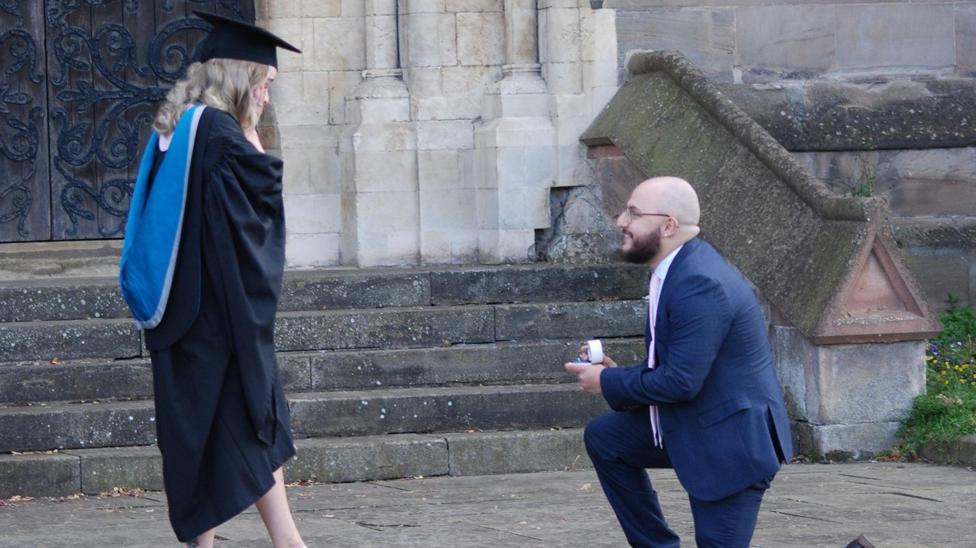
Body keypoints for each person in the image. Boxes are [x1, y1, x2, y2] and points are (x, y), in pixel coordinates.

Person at [119, 11, 306, 548]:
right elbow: (258, 211)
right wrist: (252, 134)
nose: (267, 97)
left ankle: (232, 544)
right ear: (241, 79)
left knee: (197, 435)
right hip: (220, 321)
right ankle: (288, 543)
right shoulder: (223, 135)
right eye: (264, 84)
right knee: (255, 421)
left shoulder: (177, 124)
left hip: (181, 319)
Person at [565, 176, 793, 548]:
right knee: (607, 438)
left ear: (668, 225)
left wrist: (606, 382)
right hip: (698, 422)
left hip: (732, 444)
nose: (621, 220)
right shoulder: (676, 269)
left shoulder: (699, 282)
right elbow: (674, 368)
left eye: (634, 213)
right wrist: (615, 373)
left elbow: (681, 382)